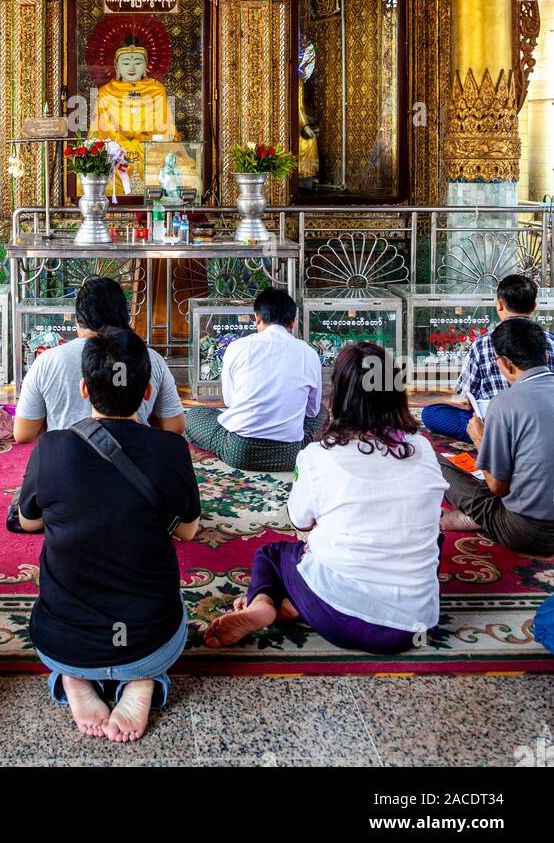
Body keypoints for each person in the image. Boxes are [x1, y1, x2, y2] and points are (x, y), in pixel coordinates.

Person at [18, 326, 200, 742]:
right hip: (153, 637)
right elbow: (188, 531)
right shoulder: (172, 449)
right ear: (148, 390)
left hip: (63, 639)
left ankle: (76, 678)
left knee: (66, 630)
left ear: (84, 389)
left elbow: (29, 522)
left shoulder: (52, 448)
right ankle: (142, 679)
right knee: (162, 625)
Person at [205, 343, 446, 654]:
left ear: (340, 396)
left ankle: (265, 603)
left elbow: (299, 520)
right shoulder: (424, 449)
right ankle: (292, 604)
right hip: (415, 624)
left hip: (337, 617)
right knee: (433, 536)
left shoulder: (319, 456)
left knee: (274, 554)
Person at [13, 276, 185, 441]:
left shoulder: (47, 361)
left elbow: (23, 434)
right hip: (138, 459)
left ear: (78, 320)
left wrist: (53, 425)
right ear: (126, 318)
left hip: (68, 460)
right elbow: (174, 426)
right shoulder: (151, 358)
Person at [439, 318, 554, 554]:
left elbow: (498, 487)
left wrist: (482, 441)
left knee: (438, 464)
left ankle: (479, 518)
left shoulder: (505, 403)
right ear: (546, 355)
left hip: (529, 531)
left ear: (505, 364)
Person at [184, 287, 325, 471]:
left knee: (192, 416)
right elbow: (312, 411)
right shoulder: (309, 353)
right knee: (322, 412)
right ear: (292, 322)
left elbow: (230, 401)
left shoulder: (237, 347)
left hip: (239, 452)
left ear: (257, 318)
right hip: (290, 454)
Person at [422, 274, 554, 442]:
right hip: (542, 422)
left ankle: (489, 438)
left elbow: (465, 396)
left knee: (432, 413)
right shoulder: (550, 340)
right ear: (534, 306)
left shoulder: (482, 344)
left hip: (496, 425)